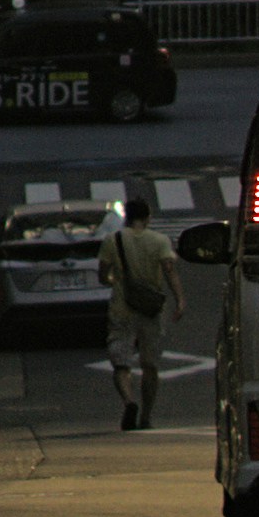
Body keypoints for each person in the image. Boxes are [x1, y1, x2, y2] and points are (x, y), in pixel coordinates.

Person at [107, 181, 179, 431]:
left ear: (126, 217)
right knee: (150, 366)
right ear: (147, 217)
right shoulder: (160, 241)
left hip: (122, 308)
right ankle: (146, 416)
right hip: (151, 309)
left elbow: (103, 275)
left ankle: (128, 401)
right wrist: (180, 300)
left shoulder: (113, 241)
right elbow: (169, 272)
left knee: (121, 363)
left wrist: (115, 279)